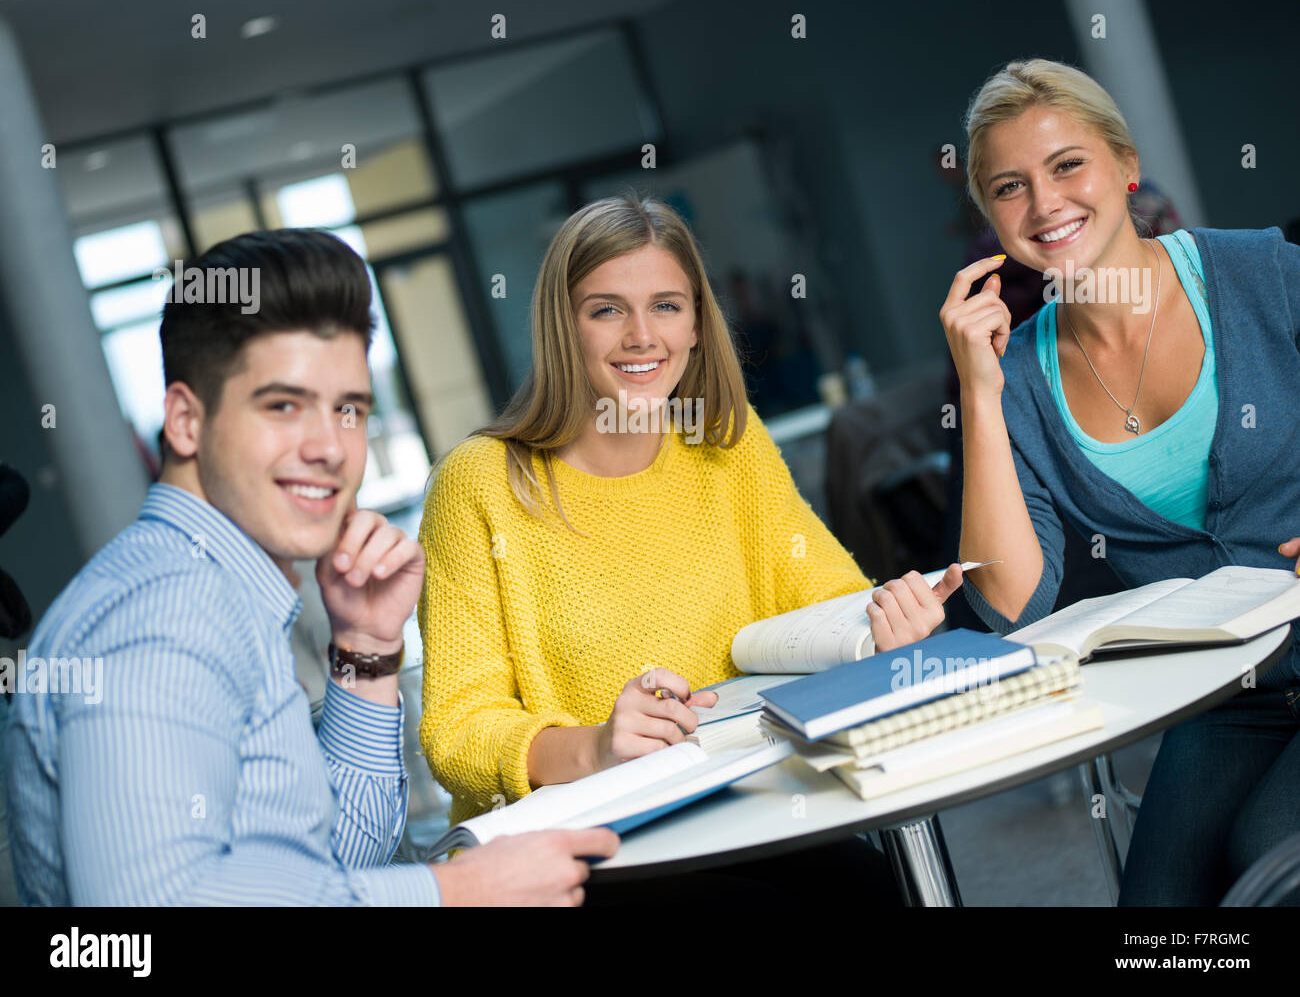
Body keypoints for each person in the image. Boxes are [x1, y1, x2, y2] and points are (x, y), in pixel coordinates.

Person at [3, 228, 615, 906]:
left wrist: (367, 648)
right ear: (184, 420)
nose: (331, 447)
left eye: (349, 408)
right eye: (284, 405)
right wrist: (455, 891)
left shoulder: (220, 591)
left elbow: (330, 856)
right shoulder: (163, 614)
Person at [418, 195, 962, 901]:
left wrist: (884, 623)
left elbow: (828, 599)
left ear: (698, 323)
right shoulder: (480, 483)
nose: (643, 336)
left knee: (881, 889)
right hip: (582, 851)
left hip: (742, 810)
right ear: (563, 326)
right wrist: (595, 745)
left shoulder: (726, 447)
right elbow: (457, 731)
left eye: (667, 306)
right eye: (607, 309)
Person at [940, 59, 1300, 906]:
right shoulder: (1019, 375)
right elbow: (1011, 606)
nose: (1046, 203)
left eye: (1068, 164)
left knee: (1267, 861)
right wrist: (979, 395)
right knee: (1157, 924)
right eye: (1009, 186)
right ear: (991, 216)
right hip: (1225, 693)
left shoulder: (1264, 275)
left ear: (1126, 165)